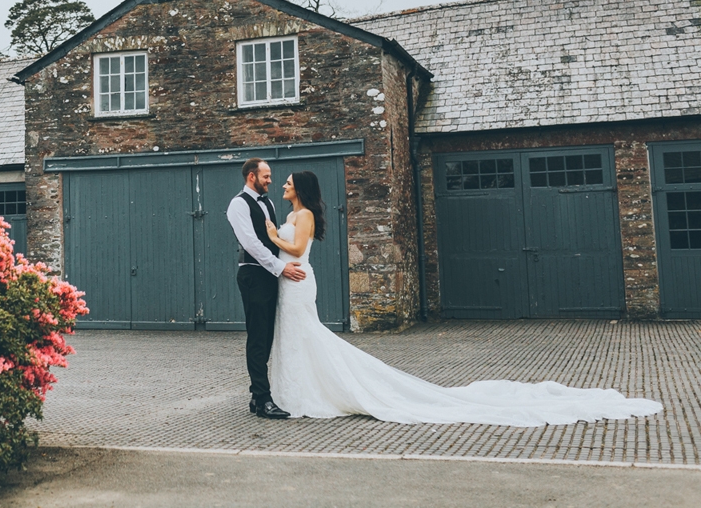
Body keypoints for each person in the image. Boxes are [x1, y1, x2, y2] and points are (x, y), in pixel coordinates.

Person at [261, 170, 663, 425]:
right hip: (291, 282)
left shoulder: (303, 215)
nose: (283, 185)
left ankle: (310, 392)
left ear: (300, 189)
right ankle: (297, 390)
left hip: (297, 280)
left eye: (288, 182)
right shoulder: (295, 214)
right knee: (297, 337)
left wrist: (270, 233)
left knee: (306, 335)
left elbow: (295, 251)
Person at [225, 158, 305, 419]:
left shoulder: (268, 202)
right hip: (253, 275)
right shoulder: (238, 204)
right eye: (266, 176)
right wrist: (281, 267)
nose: (271, 181)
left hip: (271, 274)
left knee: (268, 335)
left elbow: (273, 240)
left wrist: (283, 265)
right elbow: (251, 243)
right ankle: (262, 399)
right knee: (258, 337)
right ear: (251, 177)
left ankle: (256, 395)